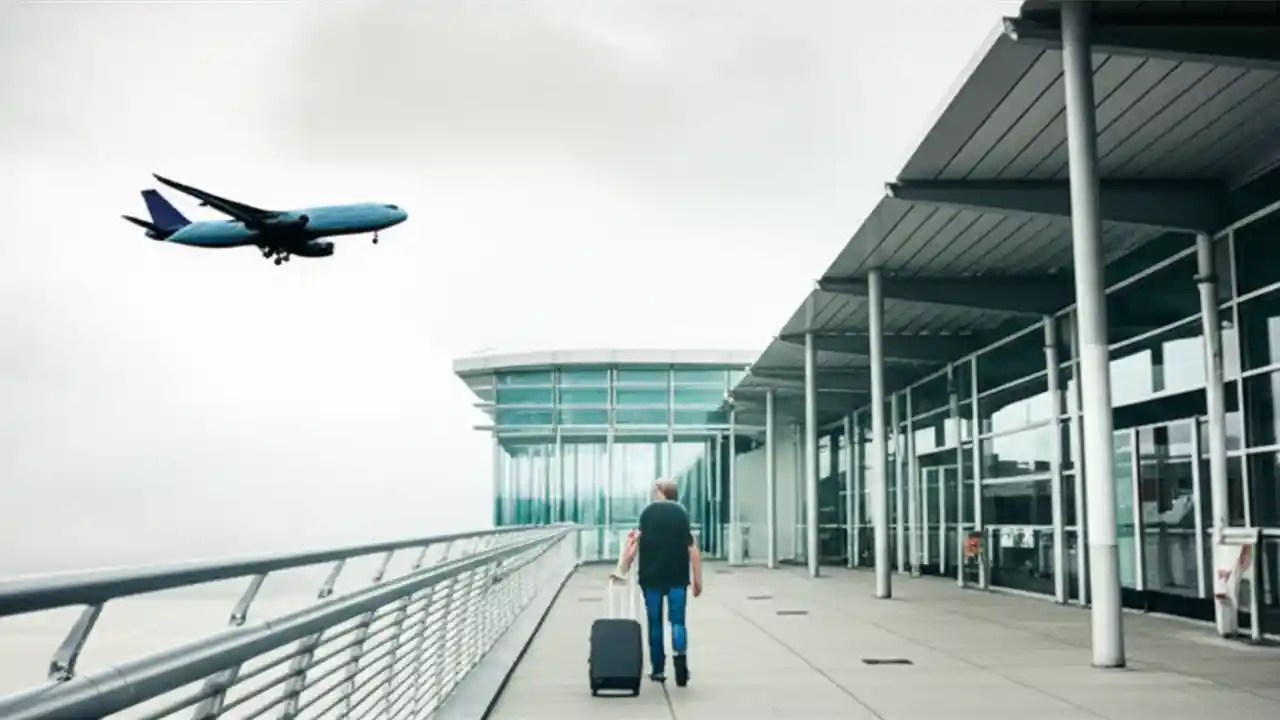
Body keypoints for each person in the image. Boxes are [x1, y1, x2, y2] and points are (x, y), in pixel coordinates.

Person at [614, 478, 702, 686]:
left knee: (655, 624)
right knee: (678, 621)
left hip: (651, 577)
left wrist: (622, 569)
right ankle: (680, 662)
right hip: (677, 577)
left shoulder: (647, 513)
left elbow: (634, 545)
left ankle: (658, 669)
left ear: (661, 491)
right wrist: (697, 579)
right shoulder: (681, 513)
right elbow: (692, 549)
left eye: (655, 489)